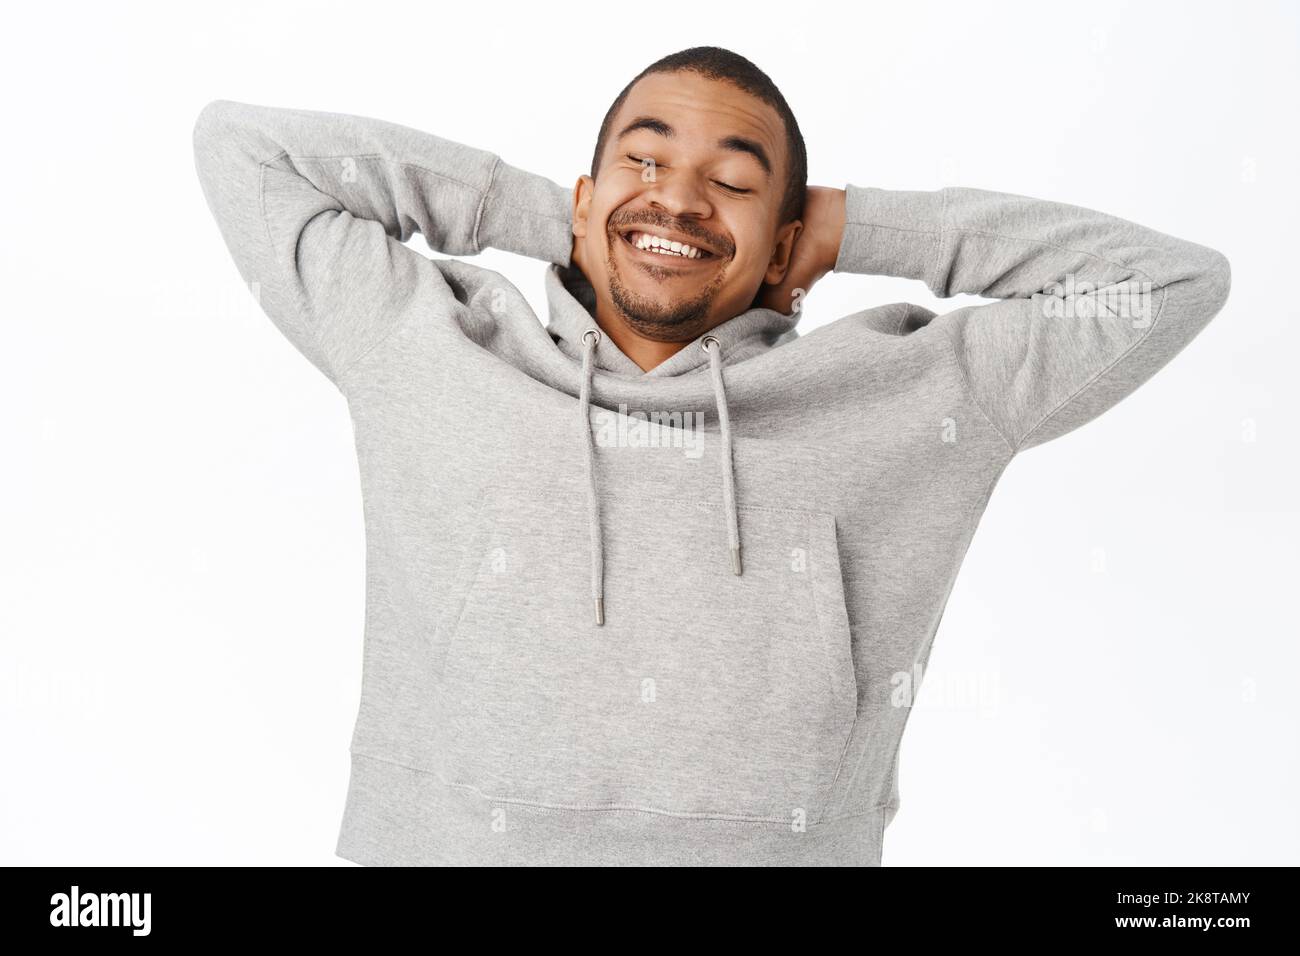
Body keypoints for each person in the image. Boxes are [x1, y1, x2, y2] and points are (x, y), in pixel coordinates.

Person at [192, 46, 1231, 866]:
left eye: (731, 182)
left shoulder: (913, 390)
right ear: (589, 193)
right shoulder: (426, 338)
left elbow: (1171, 284)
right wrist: (548, 212)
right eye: (643, 162)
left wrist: (858, 225)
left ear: (785, 243)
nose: (679, 200)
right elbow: (240, 149)